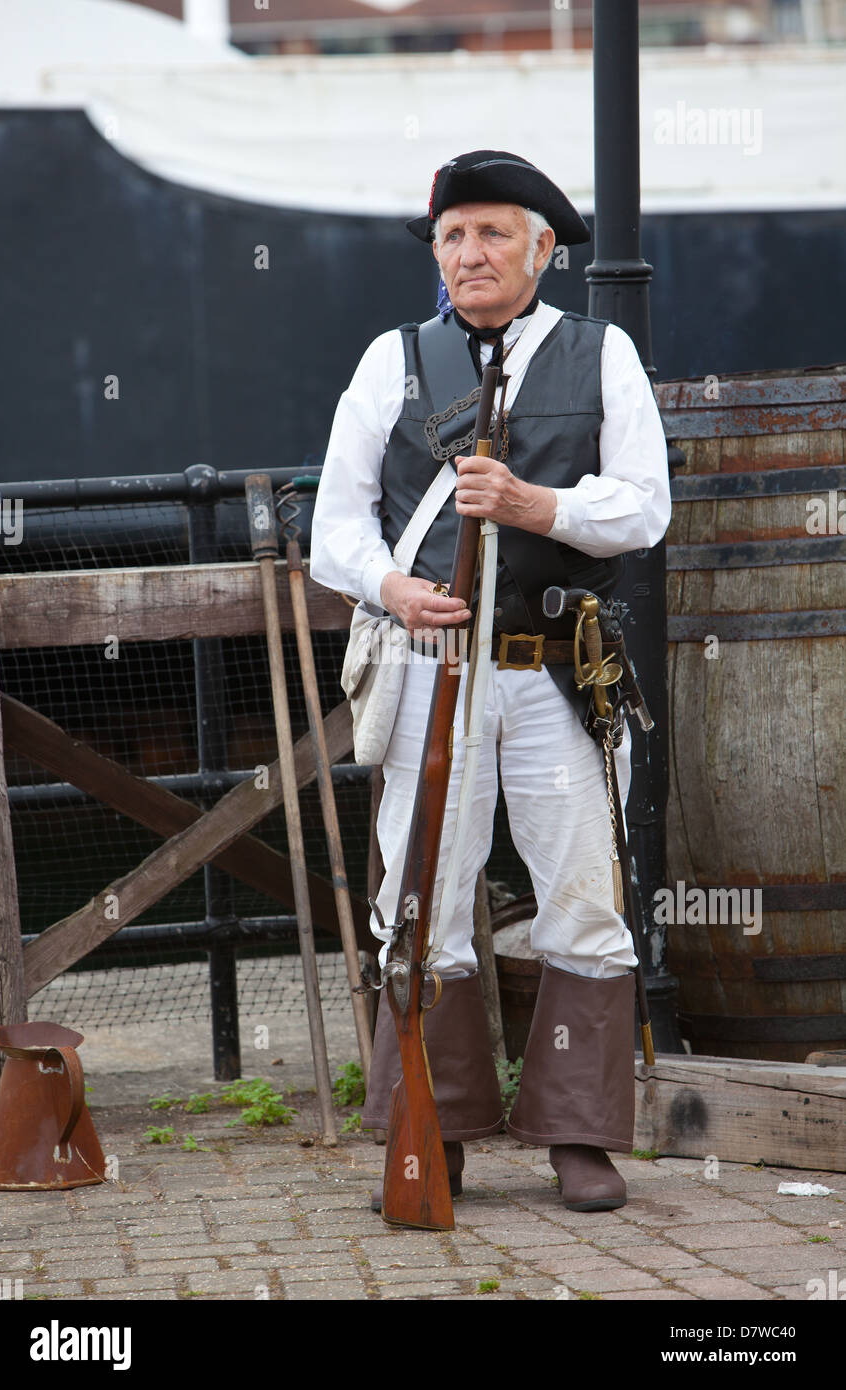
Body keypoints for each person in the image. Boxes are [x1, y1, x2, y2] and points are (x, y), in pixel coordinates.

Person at [309, 150, 670, 1213]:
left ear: (542, 250)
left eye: (492, 233)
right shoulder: (392, 361)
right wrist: (388, 585)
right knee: (415, 900)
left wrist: (535, 507)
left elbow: (644, 507)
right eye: (452, 236)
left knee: (582, 900)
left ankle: (577, 1133)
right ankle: (438, 1126)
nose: (469, 253)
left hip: (556, 674)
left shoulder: (601, 356)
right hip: (429, 669)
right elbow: (331, 526)